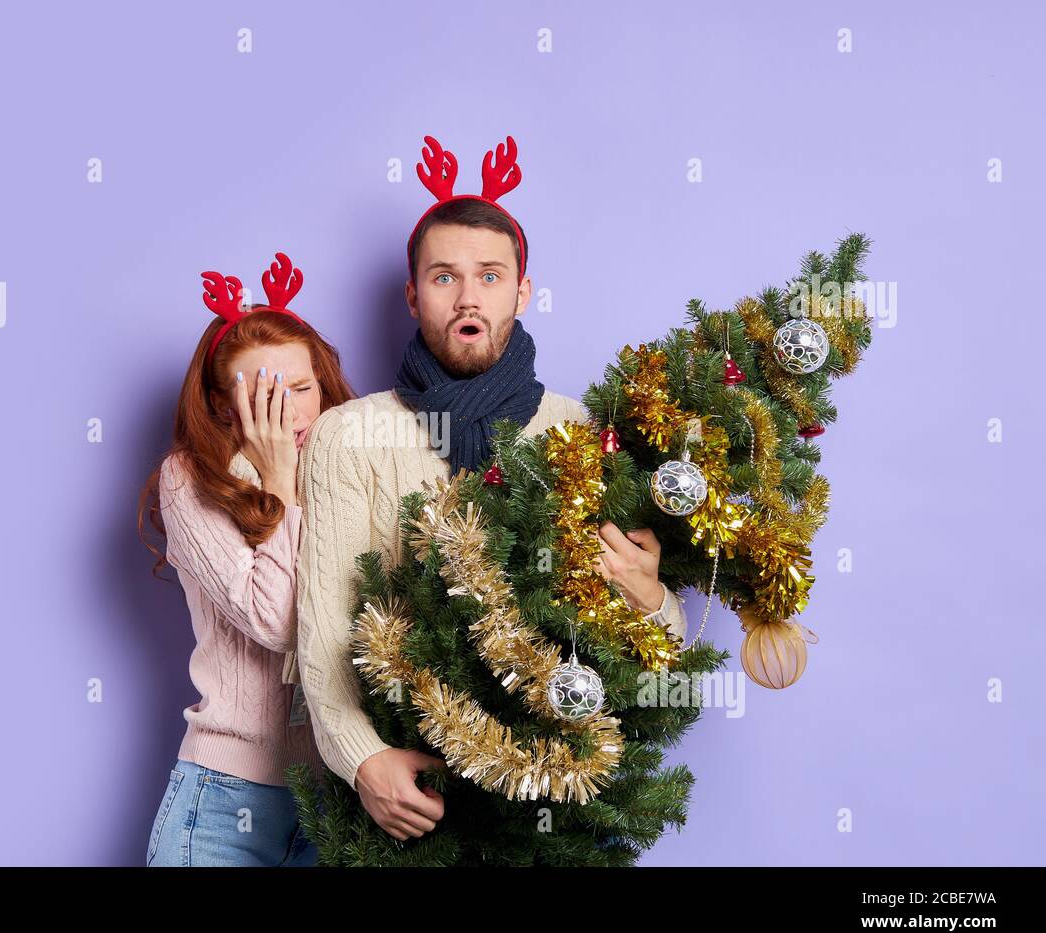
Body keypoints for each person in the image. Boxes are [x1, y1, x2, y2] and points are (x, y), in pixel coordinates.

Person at [294, 136, 689, 842]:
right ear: (414, 297)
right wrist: (365, 762)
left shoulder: (579, 427)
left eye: (490, 276)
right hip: (411, 804)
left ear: (522, 292)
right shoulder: (348, 434)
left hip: (553, 799)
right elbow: (325, 632)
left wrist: (652, 597)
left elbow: (664, 643)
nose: (468, 296)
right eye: (443, 277)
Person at [137, 253, 353, 865]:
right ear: (221, 404)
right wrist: (280, 480)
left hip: (337, 800)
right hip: (223, 800)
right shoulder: (189, 480)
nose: (287, 413)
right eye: (262, 395)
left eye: (302, 389)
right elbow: (280, 622)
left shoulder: (349, 473)